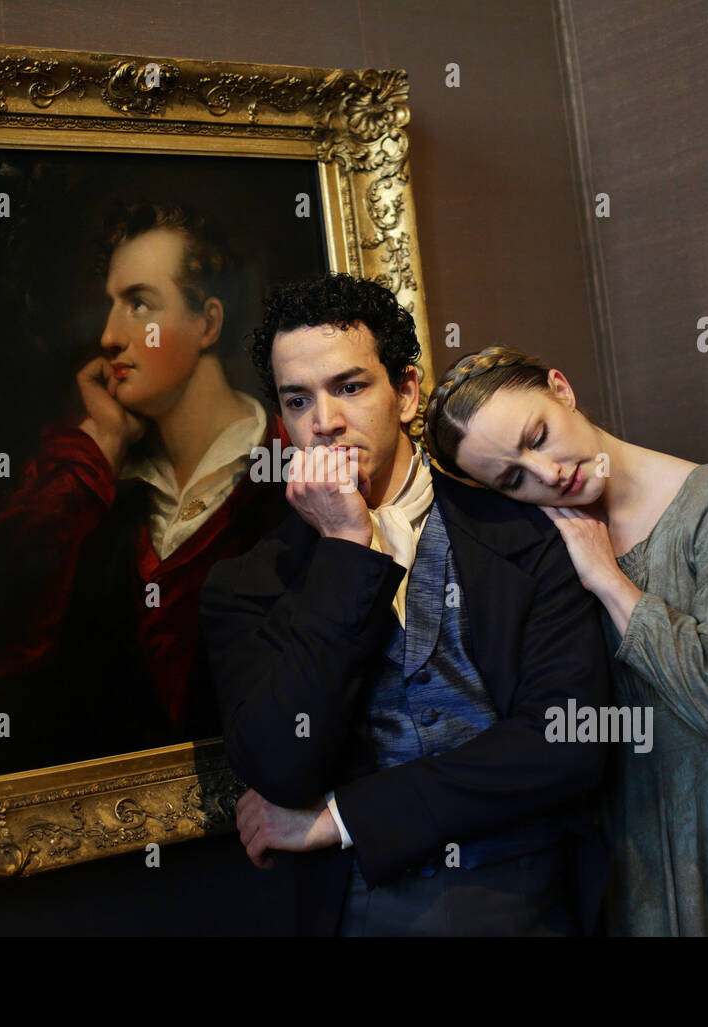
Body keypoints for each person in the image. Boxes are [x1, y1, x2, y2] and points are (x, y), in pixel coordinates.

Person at [199, 274, 611, 936]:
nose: (324, 422)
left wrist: (345, 816)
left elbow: (569, 741)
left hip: (528, 894)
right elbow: (281, 766)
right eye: (298, 400)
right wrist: (343, 547)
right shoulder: (247, 581)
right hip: (364, 908)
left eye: (351, 387)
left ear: (407, 391)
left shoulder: (524, 527)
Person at [423, 345, 708, 936]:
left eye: (538, 436)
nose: (548, 475)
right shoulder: (543, 551)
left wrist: (608, 581)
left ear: (562, 389)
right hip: (627, 838)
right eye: (513, 478)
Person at [0, 201, 290, 773]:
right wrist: (98, 451)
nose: (110, 336)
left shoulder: (291, 468)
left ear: (208, 323)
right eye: (112, 306)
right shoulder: (90, 481)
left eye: (139, 304)